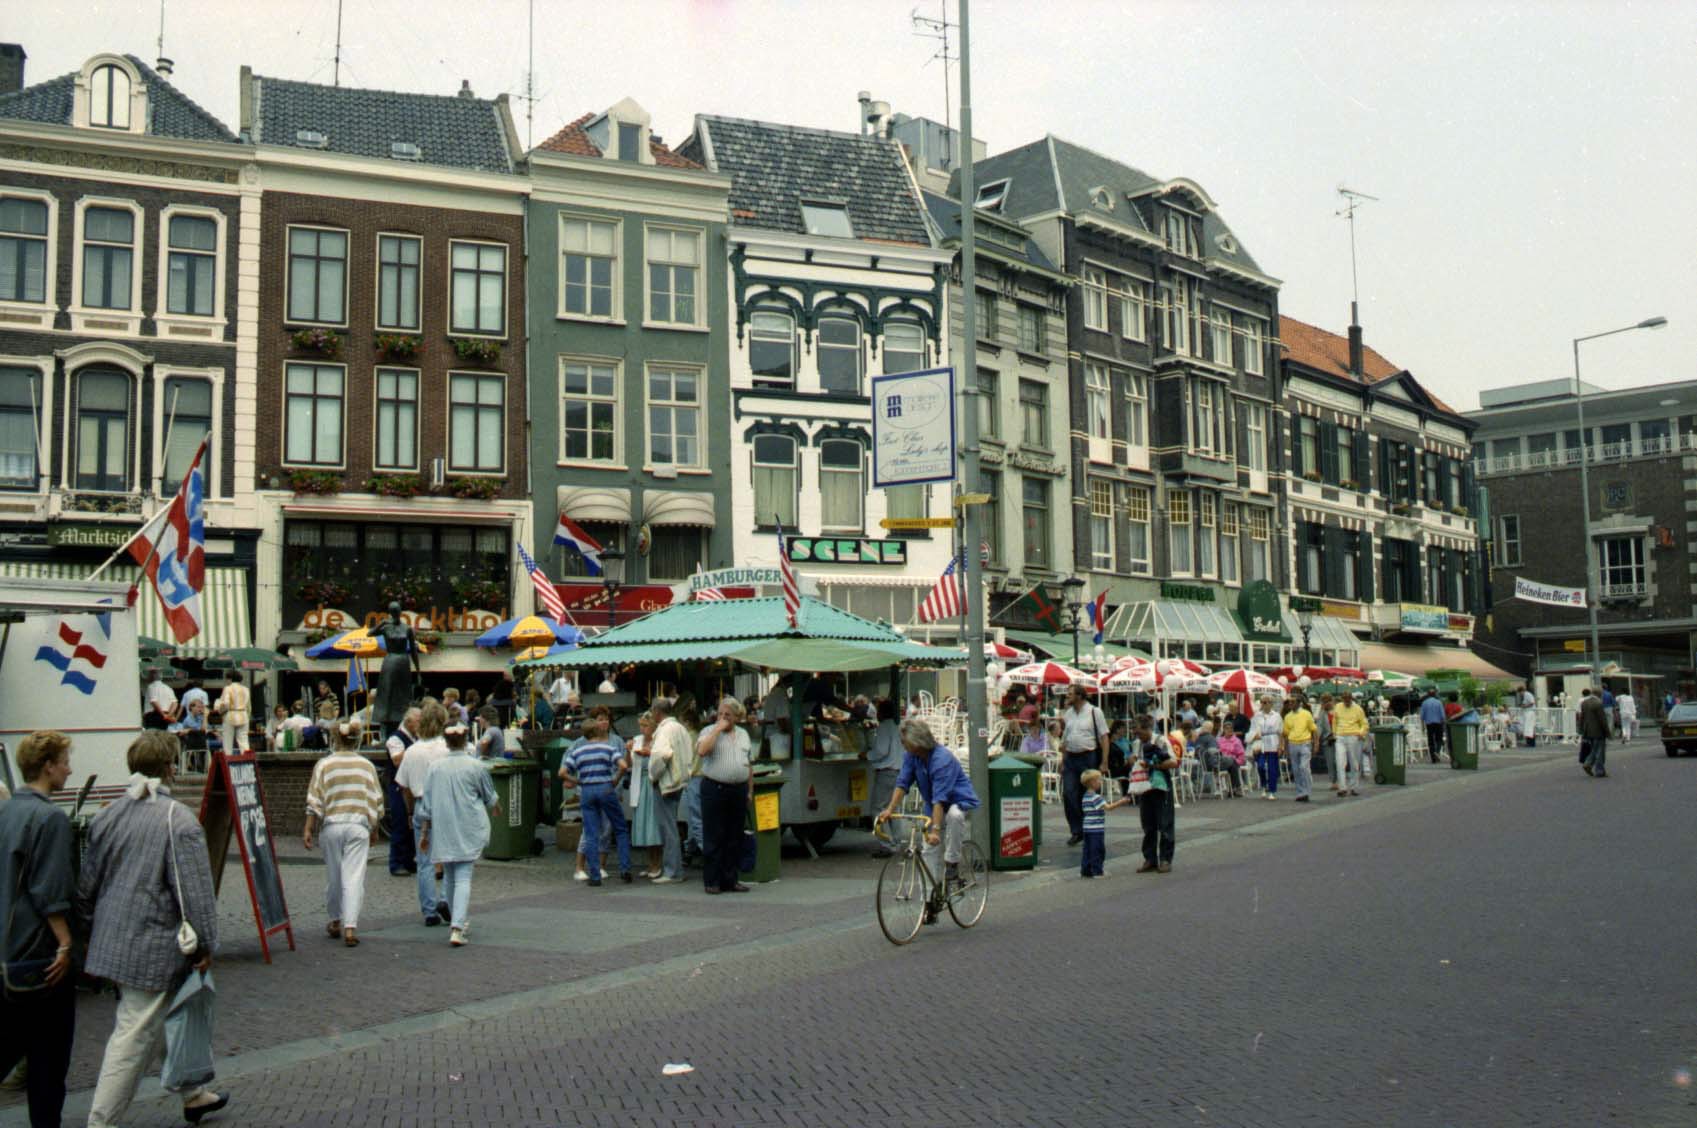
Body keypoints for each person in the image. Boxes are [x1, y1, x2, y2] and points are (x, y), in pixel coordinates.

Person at [79, 732, 228, 1127]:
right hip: (153, 944)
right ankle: (100, 1121)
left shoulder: (109, 815)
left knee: (159, 1014)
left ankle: (194, 1094)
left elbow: (87, 885)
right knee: (133, 1034)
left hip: (112, 941)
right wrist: (206, 943)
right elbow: (196, 893)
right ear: (169, 768)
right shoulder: (178, 820)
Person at [0, 731, 77, 1128]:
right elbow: (49, 890)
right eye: (65, 760)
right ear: (48, 766)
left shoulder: (8, 810)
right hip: (41, 955)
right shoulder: (50, 818)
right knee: (49, 1062)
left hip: (8, 950)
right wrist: (65, 942)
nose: (69, 768)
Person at [874, 717, 980, 923]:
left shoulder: (942, 759)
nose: (902, 744)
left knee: (955, 816)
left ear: (917, 741)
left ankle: (952, 865)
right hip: (933, 804)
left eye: (905, 741)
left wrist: (935, 829)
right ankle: (929, 903)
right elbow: (902, 783)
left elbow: (941, 798)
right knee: (928, 851)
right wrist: (889, 809)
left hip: (955, 799)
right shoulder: (911, 757)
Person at [303, 719, 384, 947]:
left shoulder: (324, 765)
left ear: (335, 739)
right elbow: (376, 800)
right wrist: (374, 827)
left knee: (334, 876)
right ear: (357, 739)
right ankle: (351, 927)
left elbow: (314, 800)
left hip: (332, 825)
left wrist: (309, 827)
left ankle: (336, 919)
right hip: (358, 825)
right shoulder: (366, 765)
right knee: (354, 876)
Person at [417, 724, 500, 946]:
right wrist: (495, 805)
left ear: (446, 741)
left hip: (444, 827)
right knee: (463, 876)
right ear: (465, 741)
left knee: (451, 876)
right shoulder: (476, 766)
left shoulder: (435, 768)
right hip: (468, 825)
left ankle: (458, 921)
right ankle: (457, 926)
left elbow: (426, 805)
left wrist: (424, 832)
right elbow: (490, 795)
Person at [395, 701, 452, 925]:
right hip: (445, 804)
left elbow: (404, 786)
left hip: (421, 805)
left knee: (424, 861)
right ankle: (446, 899)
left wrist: (410, 811)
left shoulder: (412, 751)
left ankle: (429, 911)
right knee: (449, 857)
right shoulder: (448, 749)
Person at [562, 717, 632, 887]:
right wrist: (615, 780)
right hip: (606, 788)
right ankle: (625, 869)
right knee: (620, 828)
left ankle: (594, 875)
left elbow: (562, 772)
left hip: (587, 791)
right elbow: (623, 766)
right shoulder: (608, 748)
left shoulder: (578, 752)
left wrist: (578, 781)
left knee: (591, 832)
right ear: (598, 731)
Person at [695, 698, 754, 895]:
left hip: (738, 788)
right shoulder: (708, 732)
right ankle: (712, 880)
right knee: (714, 835)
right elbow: (702, 751)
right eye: (720, 714)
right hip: (715, 788)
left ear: (737, 717)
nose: (723, 718)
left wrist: (749, 790)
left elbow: (748, 763)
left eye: (727, 715)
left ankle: (730, 879)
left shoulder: (744, 734)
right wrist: (716, 729)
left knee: (734, 836)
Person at [645, 698, 693, 884]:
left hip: (665, 783)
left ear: (657, 711)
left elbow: (661, 755)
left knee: (668, 828)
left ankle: (672, 871)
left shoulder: (664, 730)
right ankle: (675, 869)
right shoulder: (680, 728)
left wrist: (653, 776)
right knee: (672, 825)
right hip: (680, 781)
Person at [1058, 684, 1109, 847]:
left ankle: (1090, 828)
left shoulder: (1095, 712)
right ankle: (1076, 830)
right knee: (1068, 793)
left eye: (1070, 694)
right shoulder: (1068, 714)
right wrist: (1062, 760)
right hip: (1071, 758)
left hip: (1088, 756)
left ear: (1080, 696)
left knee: (1088, 795)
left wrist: (1104, 761)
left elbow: (1104, 737)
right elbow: (1065, 739)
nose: (1067, 697)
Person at [1134, 719, 1178, 873]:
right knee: (1148, 823)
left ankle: (1165, 859)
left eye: (1140, 732)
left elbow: (1173, 762)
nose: (1138, 736)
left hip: (1160, 784)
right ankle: (1150, 859)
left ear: (1148, 729)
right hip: (1144, 785)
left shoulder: (1161, 741)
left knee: (1165, 822)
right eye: (1136, 733)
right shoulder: (1137, 744)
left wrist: (1154, 765)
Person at [382, 706, 422, 876]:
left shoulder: (416, 738)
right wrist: (418, 747)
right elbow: (397, 760)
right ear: (409, 722)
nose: (421, 724)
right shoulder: (395, 739)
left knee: (412, 825)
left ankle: (408, 859)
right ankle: (396, 862)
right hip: (398, 786)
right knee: (399, 823)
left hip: (413, 785)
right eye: (418, 721)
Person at [626, 712, 663, 878]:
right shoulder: (637, 740)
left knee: (654, 824)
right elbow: (628, 764)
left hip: (654, 782)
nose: (642, 729)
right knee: (644, 824)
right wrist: (629, 751)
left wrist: (650, 753)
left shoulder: (659, 740)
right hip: (640, 784)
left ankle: (658, 864)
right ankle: (650, 864)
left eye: (645, 725)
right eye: (640, 725)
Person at [866, 698, 904, 859]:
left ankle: (885, 843)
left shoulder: (883, 728)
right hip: (898, 771)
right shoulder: (897, 727)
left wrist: (867, 755)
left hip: (886, 771)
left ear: (882, 713)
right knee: (893, 808)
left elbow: (881, 750)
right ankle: (896, 841)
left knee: (877, 808)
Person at [1078, 769, 1129, 877]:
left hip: (1087, 828)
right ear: (1092, 782)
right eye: (1098, 780)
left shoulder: (1085, 797)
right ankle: (1097, 871)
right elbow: (1108, 808)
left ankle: (1085, 870)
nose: (1100, 782)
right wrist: (1121, 801)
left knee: (1087, 849)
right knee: (1098, 850)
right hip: (1096, 829)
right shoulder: (1096, 797)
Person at [1331, 690, 1369, 797]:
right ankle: (1342, 788)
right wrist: (1334, 733)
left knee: (1354, 763)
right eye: (1344, 699)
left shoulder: (1358, 709)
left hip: (1353, 736)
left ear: (1351, 698)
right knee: (1340, 762)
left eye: (1348, 699)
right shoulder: (1338, 707)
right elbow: (1335, 720)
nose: (1346, 701)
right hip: (1340, 736)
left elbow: (1364, 723)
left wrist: (1360, 733)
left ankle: (1354, 787)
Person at [1282, 695, 1317, 803]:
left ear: (1299, 703)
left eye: (1293, 702)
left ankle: (1306, 791)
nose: (1291, 704)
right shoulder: (1288, 716)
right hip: (1293, 743)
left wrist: (1316, 744)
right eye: (1289, 702)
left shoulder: (1306, 714)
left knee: (1303, 767)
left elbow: (1314, 730)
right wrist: (1285, 748)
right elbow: (1285, 734)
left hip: (1305, 743)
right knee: (1296, 769)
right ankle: (1300, 792)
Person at [1250, 697, 1283, 799]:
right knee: (1260, 766)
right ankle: (1264, 785)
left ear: (1271, 704)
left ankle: (1272, 791)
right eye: (1262, 702)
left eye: (1265, 702)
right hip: (1261, 742)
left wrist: (1281, 746)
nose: (1263, 704)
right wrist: (1253, 741)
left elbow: (1280, 732)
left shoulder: (1276, 716)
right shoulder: (1257, 715)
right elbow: (1253, 730)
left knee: (1272, 768)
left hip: (1273, 741)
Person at [211, 672, 251, 754]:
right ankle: (247, 760)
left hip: (231, 714)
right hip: (243, 714)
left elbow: (226, 704)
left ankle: (228, 760)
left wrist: (220, 711)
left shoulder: (228, 688)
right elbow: (248, 706)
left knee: (228, 741)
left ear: (230, 679)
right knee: (243, 740)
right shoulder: (246, 689)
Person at [1579, 687, 1610, 778]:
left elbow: (1582, 717)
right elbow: (1602, 720)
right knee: (1600, 751)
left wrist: (1581, 730)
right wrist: (1607, 732)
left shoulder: (1584, 703)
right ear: (1600, 694)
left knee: (1594, 749)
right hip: (1598, 731)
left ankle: (1588, 763)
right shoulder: (1598, 703)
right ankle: (1599, 770)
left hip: (1588, 731)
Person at [1216, 721, 1247, 796]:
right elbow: (1217, 752)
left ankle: (1233, 788)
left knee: (1233, 764)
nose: (1229, 730)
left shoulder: (1236, 741)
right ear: (1224, 730)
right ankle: (1236, 788)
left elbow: (1241, 754)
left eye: (1231, 728)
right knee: (1230, 763)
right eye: (1227, 728)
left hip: (1235, 761)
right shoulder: (1219, 740)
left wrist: (1237, 761)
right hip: (1222, 762)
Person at [1419, 689, 1447, 763]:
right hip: (1438, 723)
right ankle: (1437, 752)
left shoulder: (1424, 703)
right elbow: (1442, 716)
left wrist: (1422, 726)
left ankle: (1433, 757)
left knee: (1430, 741)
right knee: (1439, 739)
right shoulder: (1439, 702)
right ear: (1435, 694)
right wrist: (1443, 725)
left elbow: (1422, 717)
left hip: (1429, 724)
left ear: (1428, 695)